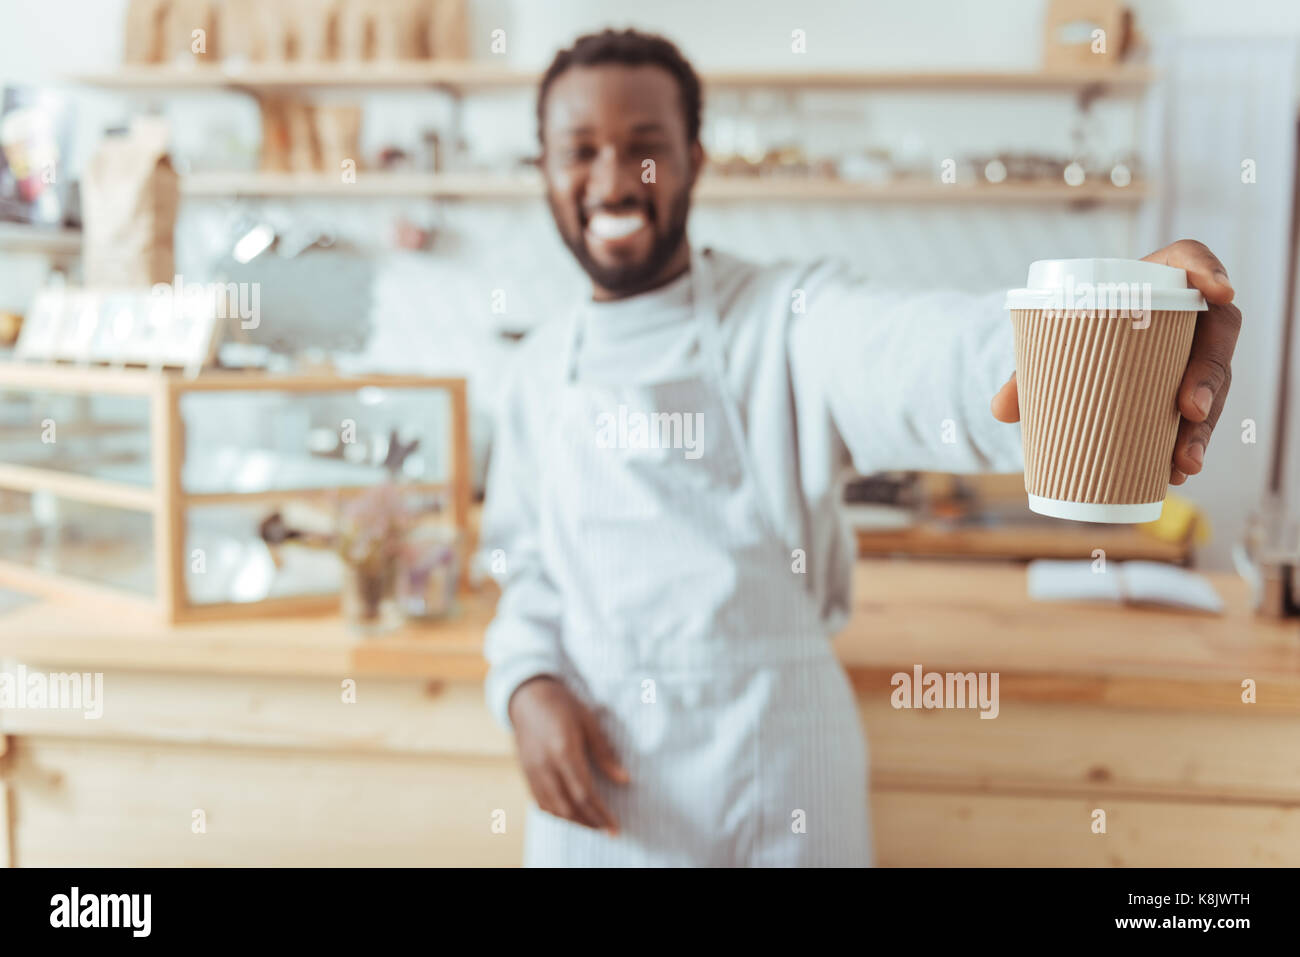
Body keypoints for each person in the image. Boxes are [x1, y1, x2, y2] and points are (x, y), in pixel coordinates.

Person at [481, 29, 1241, 867]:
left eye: (646, 147)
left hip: (778, 771)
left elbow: (919, 353)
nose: (615, 177)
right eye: (579, 150)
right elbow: (526, 573)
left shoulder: (786, 319)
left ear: (694, 160)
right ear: (543, 169)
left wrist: (1091, 331)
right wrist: (527, 684)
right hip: (602, 790)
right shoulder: (533, 371)